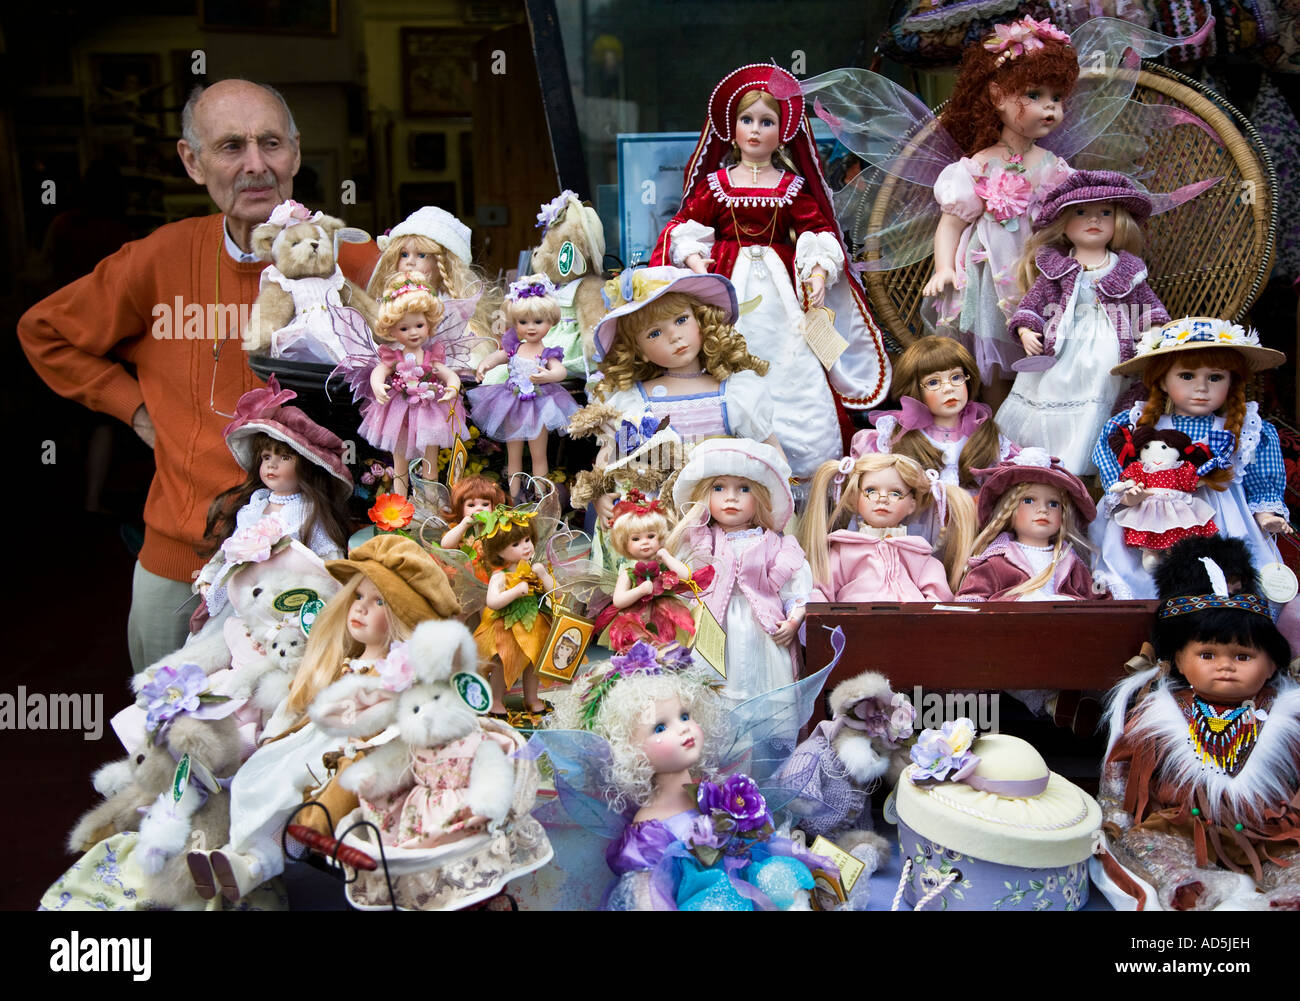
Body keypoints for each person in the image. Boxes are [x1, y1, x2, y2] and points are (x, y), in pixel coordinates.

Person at [17, 79, 378, 671]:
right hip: (181, 556)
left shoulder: (353, 258)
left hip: (322, 556)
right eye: (231, 146)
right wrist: (133, 409)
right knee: (170, 736)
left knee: (305, 749)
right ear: (192, 161)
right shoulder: (158, 258)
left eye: (271, 144)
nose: (256, 165)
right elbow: (43, 330)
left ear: (295, 152)